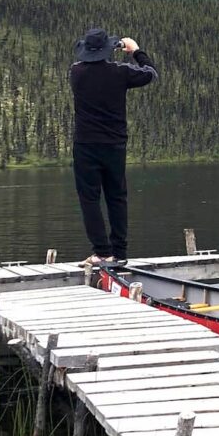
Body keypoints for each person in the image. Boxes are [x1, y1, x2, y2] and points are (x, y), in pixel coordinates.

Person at [69, 28, 157, 266]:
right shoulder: (120, 72)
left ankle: (102, 251)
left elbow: (91, 62)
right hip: (114, 144)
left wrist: (108, 49)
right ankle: (119, 252)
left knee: (89, 199)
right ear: (107, 50)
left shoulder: (76, 72)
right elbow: (150, 73)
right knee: (117, 197)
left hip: (86, 144)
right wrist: (135, 51)